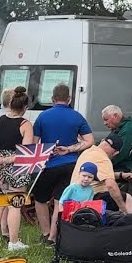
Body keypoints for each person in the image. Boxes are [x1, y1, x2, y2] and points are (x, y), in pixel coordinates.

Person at [32, 83, 94, 244]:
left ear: (52, 99)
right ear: (69, 99)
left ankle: (45, 233)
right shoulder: (77, 116)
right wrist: (70, 148)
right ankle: (56, 235)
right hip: (70, 164)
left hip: (47, 165)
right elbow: (89, 140)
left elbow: (35, 143)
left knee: (40, 199)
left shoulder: (43, 116)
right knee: (61, 200)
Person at [0, 86, 34, 251]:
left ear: (10, 104)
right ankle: (13, 242)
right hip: (16, 166)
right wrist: (7, 160)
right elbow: (25, 152)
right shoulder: (26, 125)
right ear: (25, 108)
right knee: (15, 204)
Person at [69, 134, 132, 214]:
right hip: (90, 199)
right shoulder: (104, 159)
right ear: (116, 153)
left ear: (102, 140)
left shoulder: (88, 152)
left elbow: (99, 174)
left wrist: (121, 175)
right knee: (128, 198)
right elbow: (111, 186)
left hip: (75, 198)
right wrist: (123, 209)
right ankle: (129, 223)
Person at [100, 105, 132, 173]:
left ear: (115, 116)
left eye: (106, 119)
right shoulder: (118, 128)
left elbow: (123, 152)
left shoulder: (128, 129)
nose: (105, 123)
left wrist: (104, 165)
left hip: (127, 166)